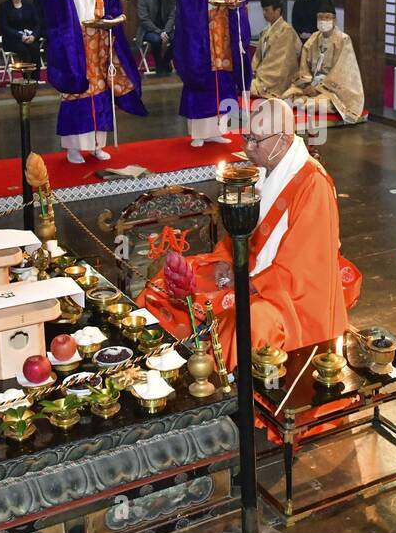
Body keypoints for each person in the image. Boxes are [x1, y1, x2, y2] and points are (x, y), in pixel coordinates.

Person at [137, 98, 360, 362]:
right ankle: (161, 357)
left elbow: (303, 266)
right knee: (169, 283)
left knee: (249, 320)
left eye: (256, 140)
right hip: (250, 268)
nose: (248, 148)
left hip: (293, 294)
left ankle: (231, 390)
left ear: (284, 139)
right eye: (247, 137)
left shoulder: (313, 185)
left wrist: (247, 282)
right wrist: (225, 260)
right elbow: (244, 231)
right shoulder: (267, 167)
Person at [41, 0, 147, 163]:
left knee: (100, 95)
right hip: (75, 49)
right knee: (77, 95)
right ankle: (73, 148)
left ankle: (98, 145)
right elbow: (55, 5)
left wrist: (110, 20)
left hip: (99, 47)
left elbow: (113, 8)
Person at [173, 0, 251, 147]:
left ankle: (218, 130)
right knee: (201, 84)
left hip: (224, 42)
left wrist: (236, 3)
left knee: (224, 83)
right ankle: (199, 133)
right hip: (200, 44)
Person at [283, 10, 365, 123]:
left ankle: (313, 102)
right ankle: (304, 100)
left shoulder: (343, 40)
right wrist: (307, 84)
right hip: (312, 84)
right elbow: (304, 67)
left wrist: (318, 89)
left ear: (335, 20)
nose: (323, 21)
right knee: (288, 95)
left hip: (332, 90)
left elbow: (341, 72)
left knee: (315, 104)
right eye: (320, 17)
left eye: (327, 17)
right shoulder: (313, 38)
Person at [251, 0, 301, 99]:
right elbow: (257, 57)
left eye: (267, 10)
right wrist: (253, 73)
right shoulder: (265, 31)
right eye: (263, 10)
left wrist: (259, 78)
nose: (264, 13)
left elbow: (279, 65)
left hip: (277, 81)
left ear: (277, 10)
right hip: (263, 76)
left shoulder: (286, 32)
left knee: (246, 87)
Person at [0, 0, 43, 66]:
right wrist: (20, 36)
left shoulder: (29, 5)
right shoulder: (4, 7)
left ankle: (35, 79)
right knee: (24, 50)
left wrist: (33, 36)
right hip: (12, 40)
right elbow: (4, 27)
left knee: (35, 48)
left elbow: (37, 23)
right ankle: (26, 78)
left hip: (29, 38)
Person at [136, 0, 175, 75]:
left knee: (179, 37)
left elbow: (172, 16)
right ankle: (158, 64)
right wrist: (159, 32)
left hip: (166, 28)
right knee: (156, 39)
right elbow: (144, 19)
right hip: (149, 30)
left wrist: (165, 31)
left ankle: (165, 62)